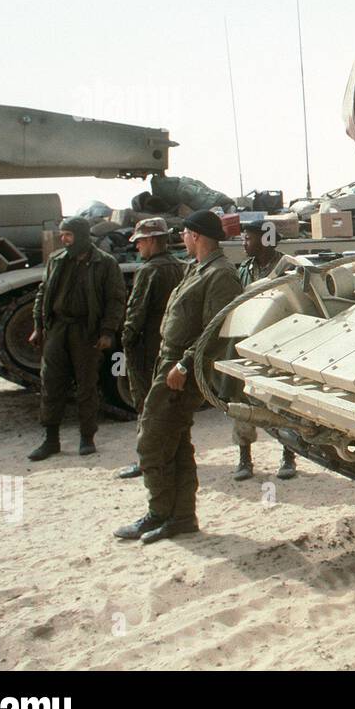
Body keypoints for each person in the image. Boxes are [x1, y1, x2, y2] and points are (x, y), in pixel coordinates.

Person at [114, 210, 243, 544]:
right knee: (175, 443)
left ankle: (159, 513)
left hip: (182, 368)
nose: (181, 239)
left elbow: (216, 329)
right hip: (169, 361)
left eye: (184, 234)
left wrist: (184, 365)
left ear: (195, 235)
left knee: (152, 441)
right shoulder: (194, 269)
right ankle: (182, 517)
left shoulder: (221, 274)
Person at [27, 216, 126, 461]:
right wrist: (38, 326)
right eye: (62, 235)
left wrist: (107, 332)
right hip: (58, 328)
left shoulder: (105, 263)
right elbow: (43, 292)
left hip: (87, 330)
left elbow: (115, 300)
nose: (64, 240)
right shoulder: (56, 260)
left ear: (81, 236)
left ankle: (87, 437)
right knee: (51, 384)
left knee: (86, 385)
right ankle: (51, 440)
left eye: (68, 235)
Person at [115, 217, 185, 480]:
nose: (138, 247)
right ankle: (169, 455)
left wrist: (126, 338)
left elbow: (136, 311)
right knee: (167, 404)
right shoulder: (178, 267)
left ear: (154, 240)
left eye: (141, 241)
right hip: (168, 346)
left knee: (145, 405)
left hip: (145, 348)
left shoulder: (149, 271)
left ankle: (147, 460)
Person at [231, 219, 297, 481]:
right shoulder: (244, 270)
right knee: (241, 401)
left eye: (248, 238)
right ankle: (244, 458)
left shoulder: (288, 267)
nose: (244, 243)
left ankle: (288, 456)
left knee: (281, 405)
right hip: (248, 343)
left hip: (279, 344)